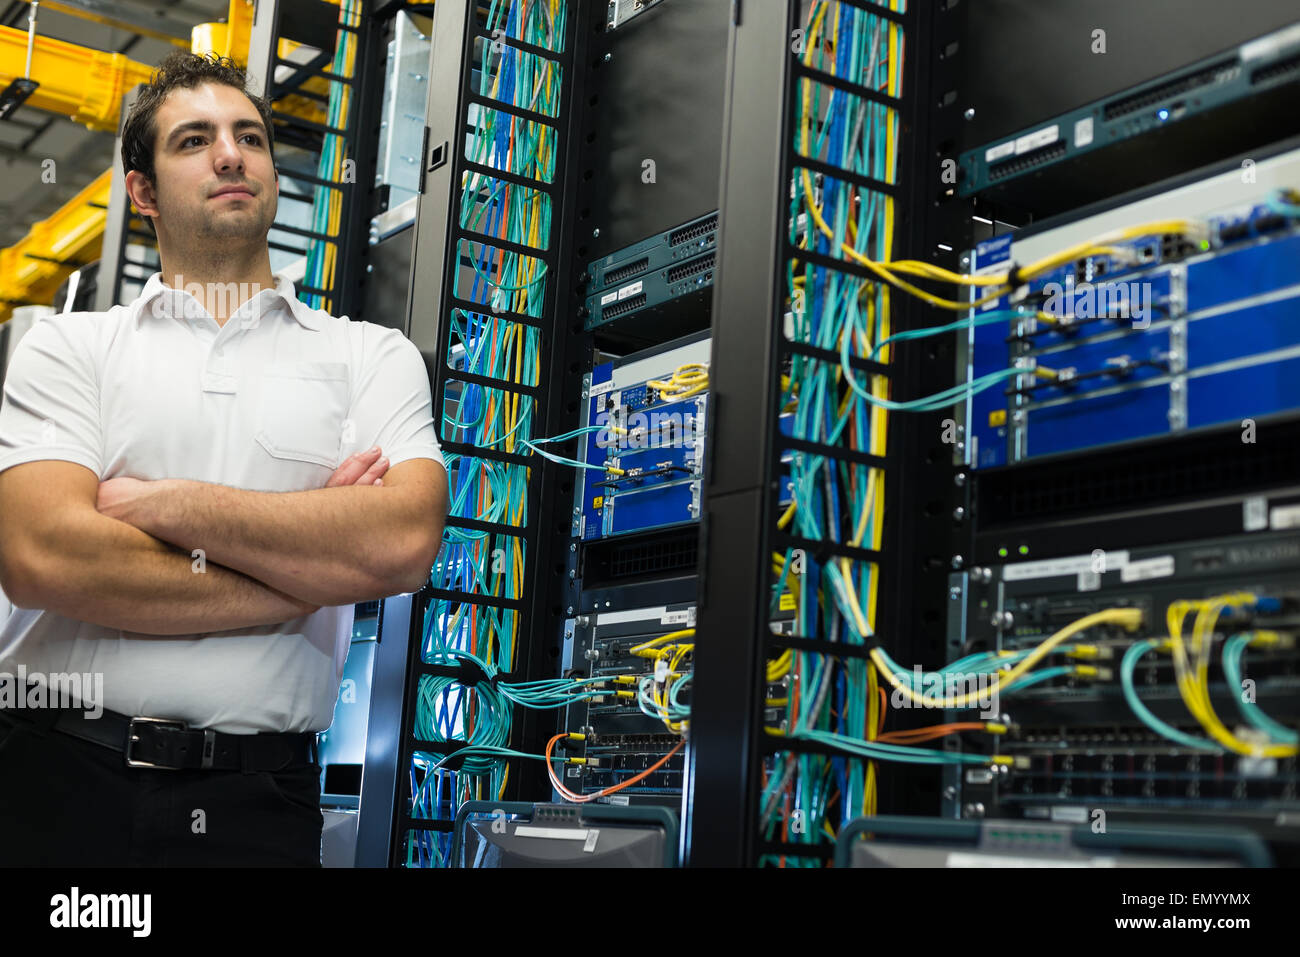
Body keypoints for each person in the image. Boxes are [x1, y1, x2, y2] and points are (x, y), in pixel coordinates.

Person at [0, 51, 448, 866]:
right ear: (142, 193)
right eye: (194, 140)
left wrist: (160, 503)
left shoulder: (368, 357)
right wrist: (309, 578)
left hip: (260, 805)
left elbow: (403, 542)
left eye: (249, 137)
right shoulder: (70, 347)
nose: (231, 154)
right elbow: (43, 558)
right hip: (60, 781)